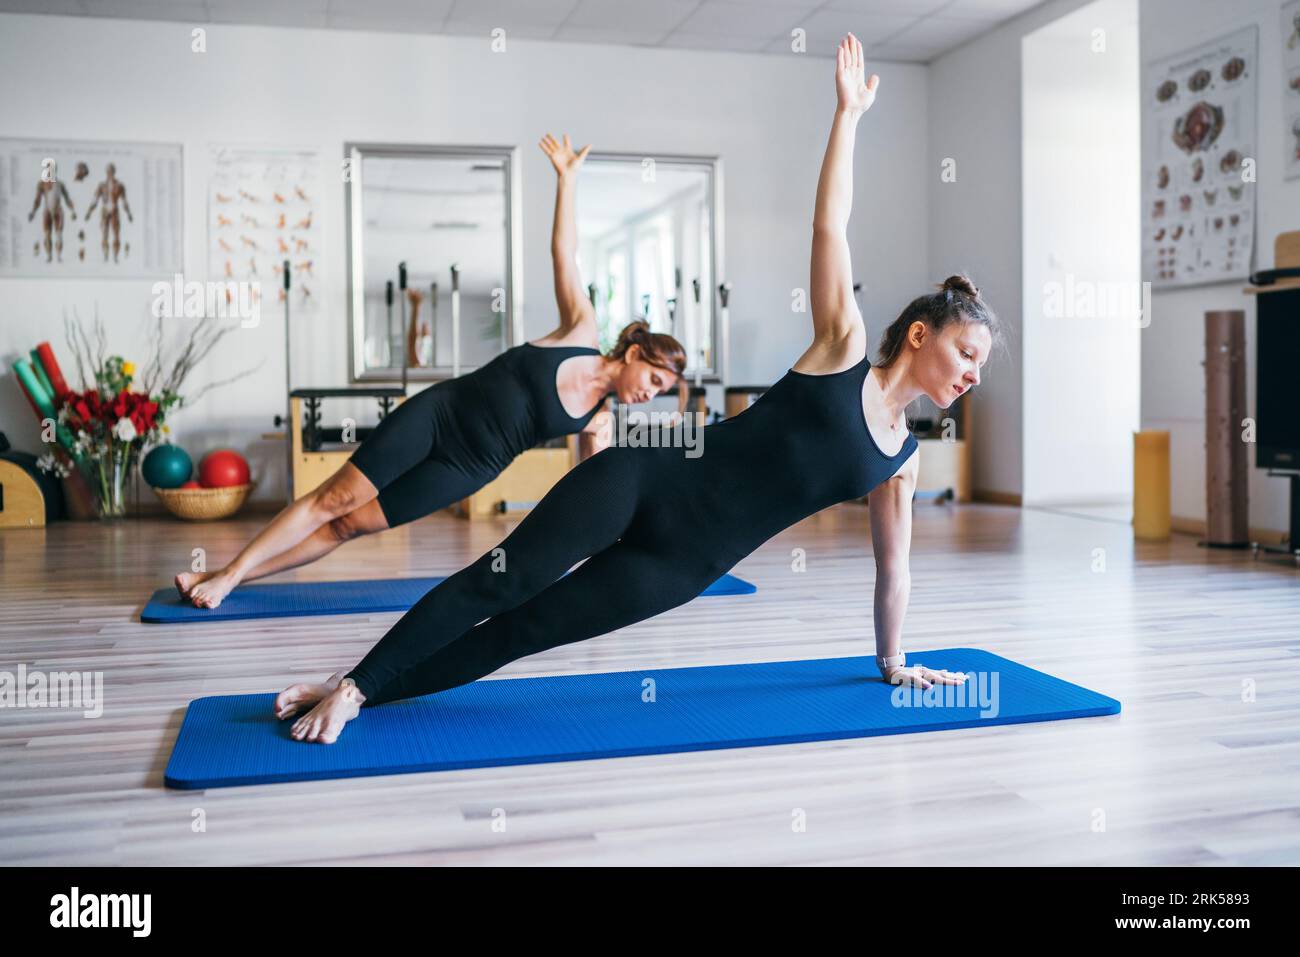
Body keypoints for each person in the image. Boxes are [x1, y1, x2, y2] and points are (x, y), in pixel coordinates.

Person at [278, 35, 1001, 743]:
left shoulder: (902, 460)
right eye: (967, 352)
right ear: (917, 335)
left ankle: (365, 688)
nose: (971, 373)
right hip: (640, 481)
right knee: (498, 582)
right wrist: (847, 115)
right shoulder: (841, 347)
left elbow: (894, 569)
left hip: (684, 563)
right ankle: (353, 685)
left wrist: (894, 661)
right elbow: (829, 224)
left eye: (981, 367)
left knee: (522, 633)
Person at [177, 133, 686, 609]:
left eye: (660, 392)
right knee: (334, 498)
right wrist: (566, 181)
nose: (650, 394)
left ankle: (229, 577)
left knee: (347, 526)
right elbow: (564, 254)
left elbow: (584, 491)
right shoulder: (580, 332)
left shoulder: (598, 418)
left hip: (469, 468)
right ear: (637, 355)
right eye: (655, 382)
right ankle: (226, 575)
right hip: (440, 414)